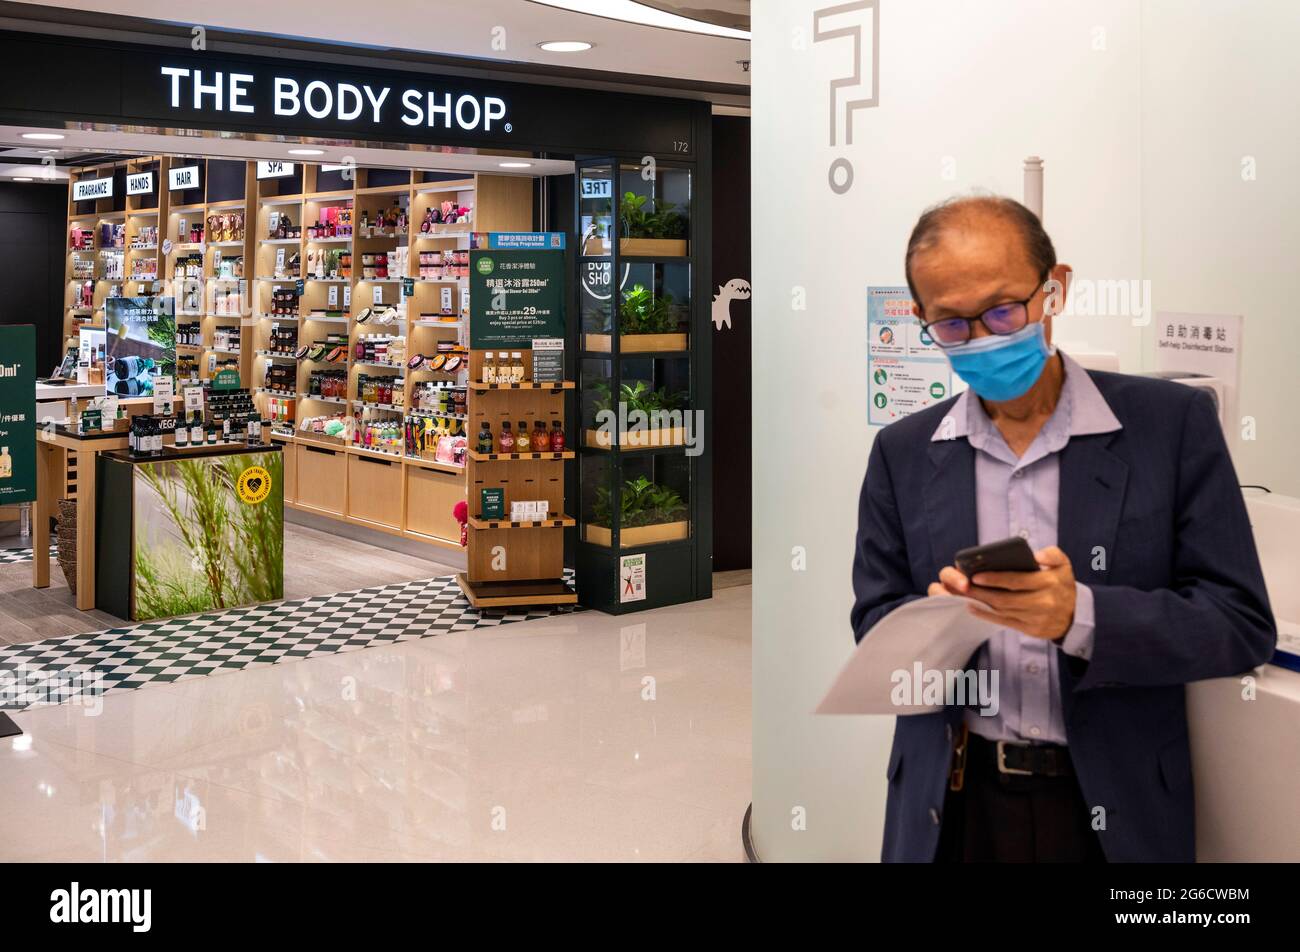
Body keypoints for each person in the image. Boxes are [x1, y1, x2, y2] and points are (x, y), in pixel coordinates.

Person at [850, 195, 1276, 862]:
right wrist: (931, 628)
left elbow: (1240, 622)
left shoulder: (1170, 427)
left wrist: (1079, 616)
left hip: (1111, 800)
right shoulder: (903, 454)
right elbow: (873, 619)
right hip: (955, 801)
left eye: (1002, 310)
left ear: (1056, 289)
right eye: (953, 325)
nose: (984, 338)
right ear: (921, 319)